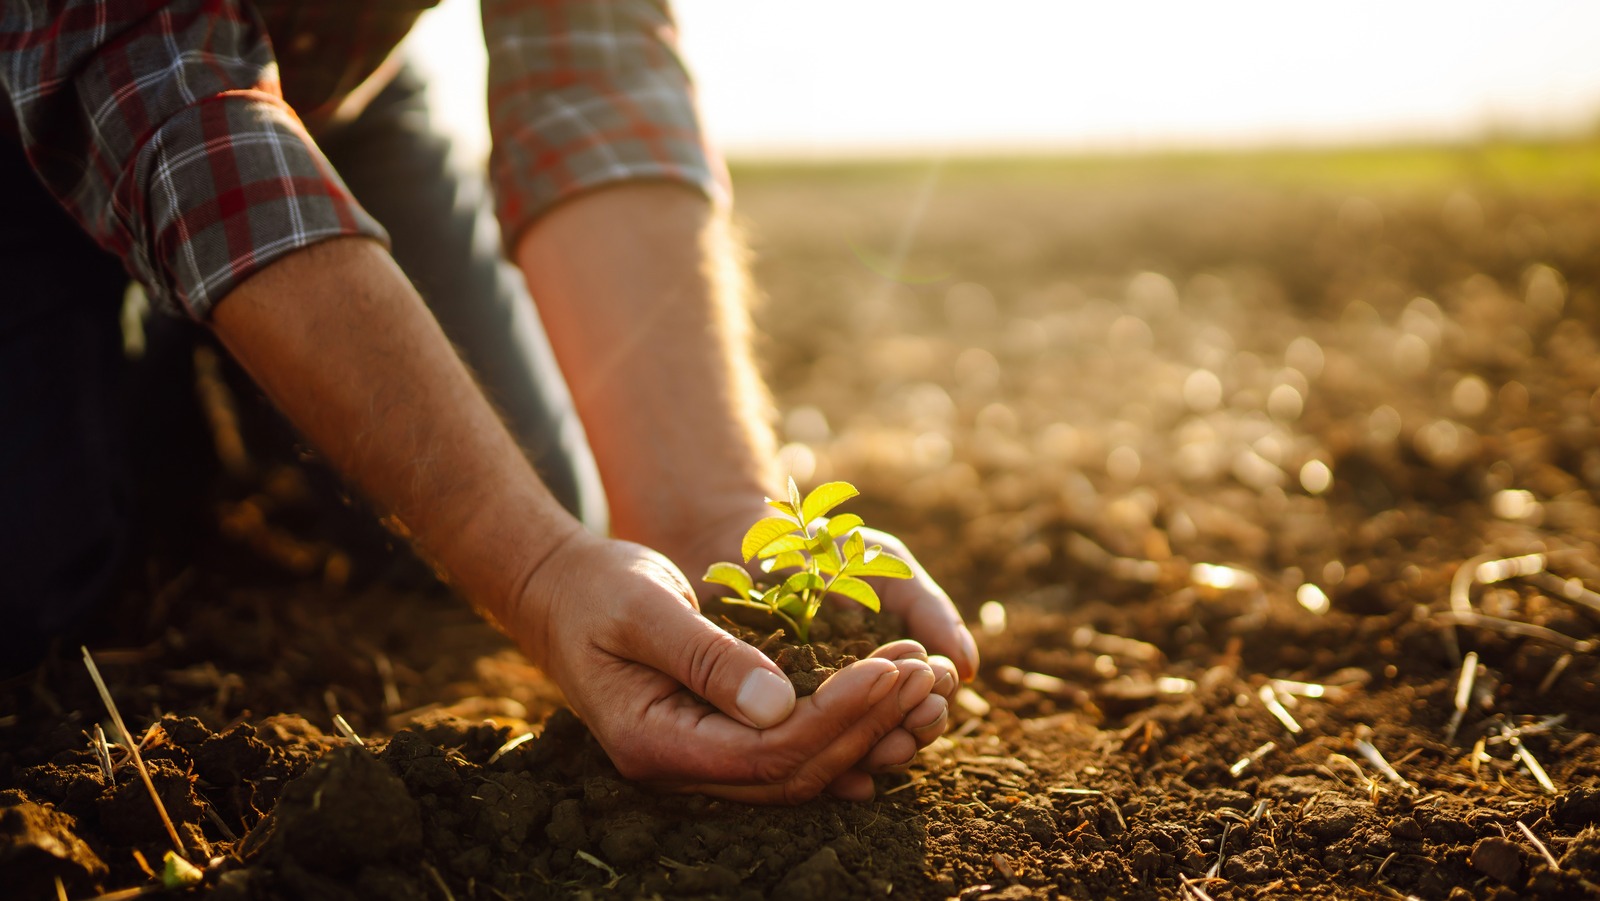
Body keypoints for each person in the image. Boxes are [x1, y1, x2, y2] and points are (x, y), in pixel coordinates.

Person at [0, 0, 978, 804]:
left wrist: (708, 509)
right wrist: (535, 568)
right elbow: (161, 87)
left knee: (536, 499)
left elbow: (593, 74)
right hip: (68, 82)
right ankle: (178, 340)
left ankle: (223, 324)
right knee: (35, 585)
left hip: (326, 92)